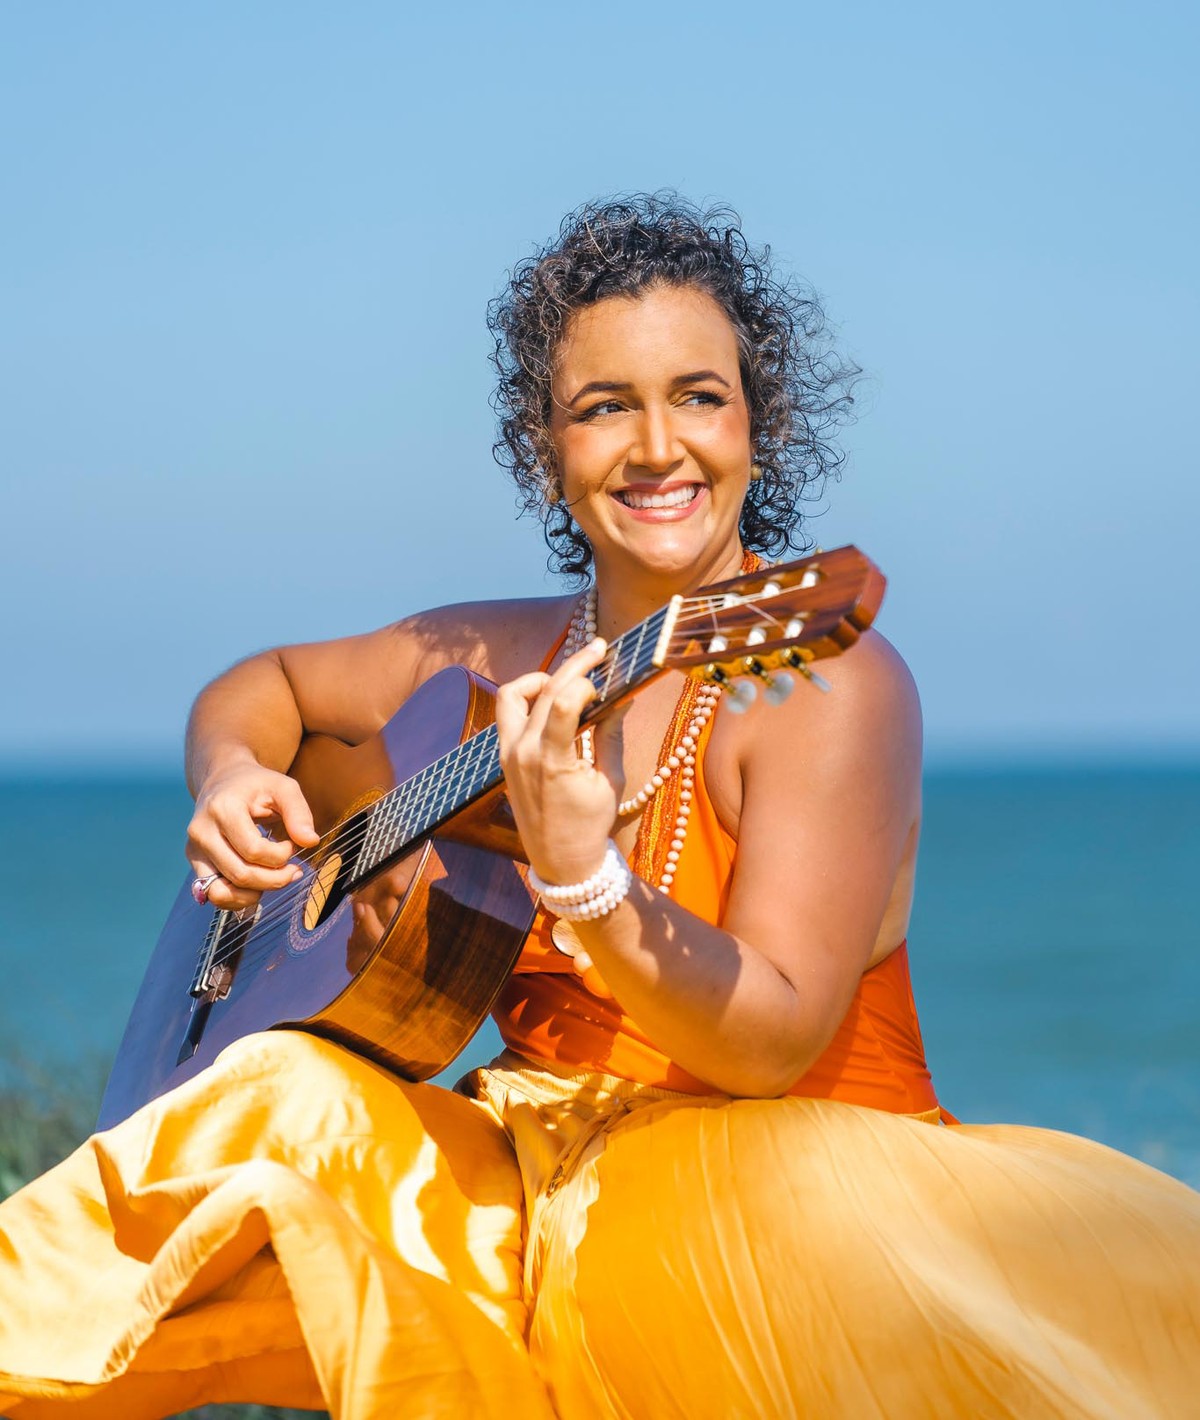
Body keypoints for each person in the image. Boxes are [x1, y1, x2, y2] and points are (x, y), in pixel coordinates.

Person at [1, 195, 1198, 1419]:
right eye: (604, 407)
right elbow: (266, 687)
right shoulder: (492, 649)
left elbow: (771, 1040)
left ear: (758, 424)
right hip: (526, 1159)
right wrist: (233, 776)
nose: (658, 447)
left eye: (698, 395)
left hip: (774, 1201)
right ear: (545, 444)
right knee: (263, 1105)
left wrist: (588, 882)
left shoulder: (825, 684)